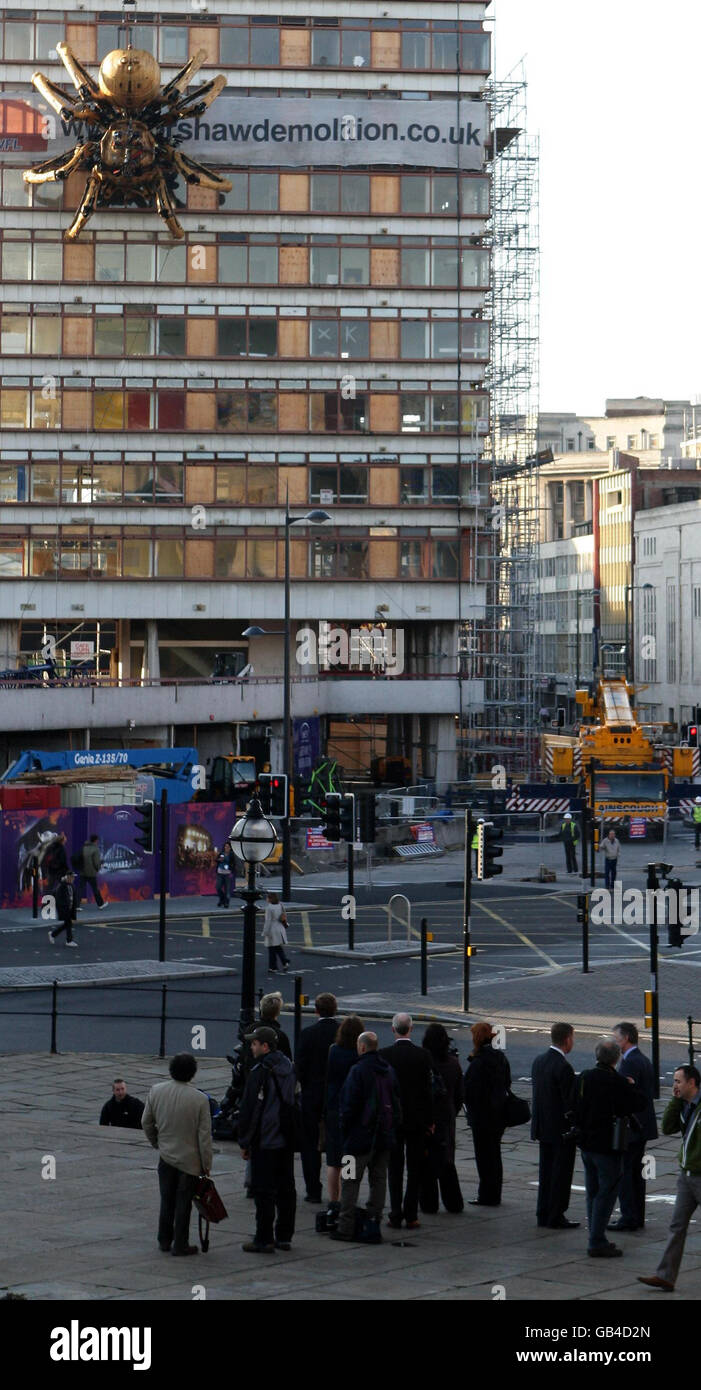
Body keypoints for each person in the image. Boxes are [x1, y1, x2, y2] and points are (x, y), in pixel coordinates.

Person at [575, 1038, 646, 1258]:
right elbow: (638, 1103)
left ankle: (594, 1235)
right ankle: (597, 1240)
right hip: (608, 1146)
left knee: (593, 1191)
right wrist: (632, 1086)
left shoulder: (585, 1077)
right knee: (607, 1192)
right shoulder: (617, 1081)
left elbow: (573, 1104)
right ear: (617, 1058)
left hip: (586, 1144)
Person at [331, 1031, 401, 1243]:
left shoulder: (357, 1070)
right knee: (378, 1180)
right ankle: (373, 1223)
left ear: (361, 1047)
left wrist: (345, 1132)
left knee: (349, 1181)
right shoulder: (388, 1070)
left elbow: (348, 1106)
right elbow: (397, 1103)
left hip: (356, 1141)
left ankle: (345, 1226)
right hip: (383, 1137)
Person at [141, 1052, 212, 1256]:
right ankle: (180, 1243)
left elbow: (146, 1121)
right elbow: (204, 1137)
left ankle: (164, 1239)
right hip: (190, 1161)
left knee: (167, 1199)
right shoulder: (200, 1100)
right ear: (192, 1073)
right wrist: (206, 1165)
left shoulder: (157, 1091)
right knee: (184, 1203)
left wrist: (156, 1142)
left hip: (166, 1156)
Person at [638, 1064, 701, 1291]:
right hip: (686, 1176)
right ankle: (665, 1275)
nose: (674, 1085)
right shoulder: (685, 1105)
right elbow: (667, 1128)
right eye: (674, 1081)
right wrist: (675, 1101)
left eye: (678, 1081)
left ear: (692, 1083)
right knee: (677, 1225)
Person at [237, 1026, 298, 1254]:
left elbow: (250, 1109)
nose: (251, 1047)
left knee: (263, 1192)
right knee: (286, 1188)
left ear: (265, 1046)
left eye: (254, 1044)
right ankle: (284, 1236)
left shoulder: (259, 1071)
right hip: (285, 1136)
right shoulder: (288, 1067)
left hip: (265, 1139)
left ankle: (264, 1238)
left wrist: (245, 1141)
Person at [380, 1012, 434, 1229]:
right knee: (415, 1168)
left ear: (393, 1030)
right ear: (411, 1029)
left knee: (394, 1168)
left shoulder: (385, 1055)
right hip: (417, 1120)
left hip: (393, 1119)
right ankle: (411, 1214)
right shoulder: (423, 1056)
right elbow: (427, 1092)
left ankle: (395, 1212)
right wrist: (430, 1120)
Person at [608, 1022, 657, 1231]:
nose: (613, 1041)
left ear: (626, 1038)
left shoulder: (628, 1063)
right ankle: (637, 1216)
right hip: (643, 1125)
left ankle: (628, 1217)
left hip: (631, 1127)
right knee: (637, 1173)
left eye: (616, 1037)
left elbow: (624, 1095)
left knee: (626, 1172)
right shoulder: (642, 1059)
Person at [531, 1021, 579, 1229]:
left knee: (546, 1172)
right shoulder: (564, 1067)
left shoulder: (539, 1061)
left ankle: (543, 1212)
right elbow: (569, 1102)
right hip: (561, 1131)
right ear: (567, 1039)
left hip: (543, 1127)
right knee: (560, 1174)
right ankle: (556, 1214)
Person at [295, 992, 338, 1203]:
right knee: (340, 1145)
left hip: (312, 1094)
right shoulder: (344, 1032)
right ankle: (343, 1189)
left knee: (309, 1145)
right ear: (335, 1009)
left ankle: (313, 1190)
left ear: (316, 1011)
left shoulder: (308, 1034)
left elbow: (299, 1067)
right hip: (337, 1096)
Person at [419, 1023, 464, 1215]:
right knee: (446, 1160)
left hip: (426, 1116)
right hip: (446, 1116)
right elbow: (461, 1093)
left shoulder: (423, 1062)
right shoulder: (453, 1063)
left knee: (426, 1160)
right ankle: (453, 1202)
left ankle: (429, 1203)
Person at [464, 1021, 511, 1206]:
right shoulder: (500, 1057)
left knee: (483, 1157)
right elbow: (507, 1082)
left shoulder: (478, 1062)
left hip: (482, 1117)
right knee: (495, 1154)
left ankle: (486, 1195)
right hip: (498, 1114)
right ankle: (495, 1193)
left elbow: (469, 1091)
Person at [323, 1014, 365, 1216]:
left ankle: (334, 1200)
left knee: (333, 1160)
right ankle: (348, 1198)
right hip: (353, 1111)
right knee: (349, 1158)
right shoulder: (359, 1055)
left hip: (333, 1109)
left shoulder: (333, 1051)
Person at [48, 870, 78, 947]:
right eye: (72, 877)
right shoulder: (62, 886)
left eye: (73, 877)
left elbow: (73, 897)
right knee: (68, 923)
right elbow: (59, 898)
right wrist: (64, 907)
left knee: (67, 924)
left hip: (69, 908)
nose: (73, 879)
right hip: (64, 908)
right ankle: (69, 940)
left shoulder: (71, 885)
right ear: (68, 877)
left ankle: (53, 934)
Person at [262, 892, 289, 974]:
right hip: (280, 928)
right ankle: (285, 962)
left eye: (267, 898)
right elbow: (284, 916)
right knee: (278, 948)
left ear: (270, 899)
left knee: (271, 949)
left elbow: (268, 921)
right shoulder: (280, 905)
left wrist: (265, 932)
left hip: (272, 930)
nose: (266, 899)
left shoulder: (269, 908)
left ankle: (273, 967)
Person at [79, 833, 106, 909]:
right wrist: (98, 868)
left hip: (83, 871)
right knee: (95, 888)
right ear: (96, 840)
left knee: (80, 889)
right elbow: (96, 862)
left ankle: (76, 905)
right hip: (91, 872)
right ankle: (100, 904)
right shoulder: (95, 849)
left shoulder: (84, 847)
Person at [215, 841, 234, 907]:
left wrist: (232, 872)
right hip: (220, 872)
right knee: (218, 887)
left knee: (227, 889)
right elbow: (216, 860)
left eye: (228, 847)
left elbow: (234, 864)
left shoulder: (231, 855)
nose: (226, 848)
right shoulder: (221, 853)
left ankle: (226, 902)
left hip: (227, 874)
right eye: (225, 846)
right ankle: (222, 899)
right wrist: (219, 860)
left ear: (230, 848)